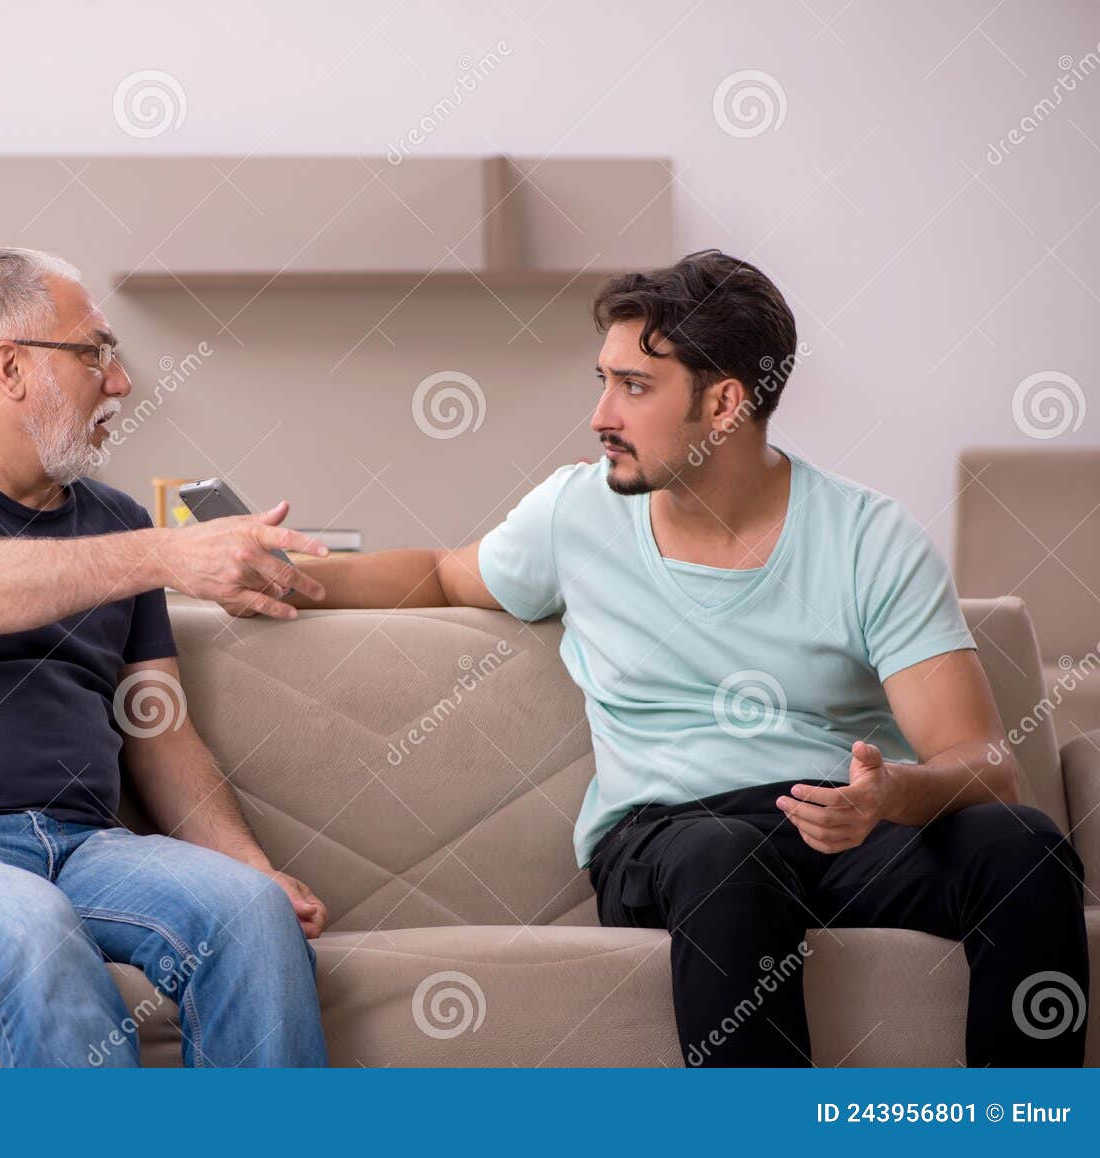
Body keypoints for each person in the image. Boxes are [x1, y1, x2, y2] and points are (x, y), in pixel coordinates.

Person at [287, 249, 1090, 1066]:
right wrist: (288, 574)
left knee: (1019, 843)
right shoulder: (575, 514)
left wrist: (890, 795)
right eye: (604, 381)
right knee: (726, 854)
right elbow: (438, 573)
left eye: (635, 387)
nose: (602, 415)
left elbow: (984, 764)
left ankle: (1022, 1122)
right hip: (670, 839)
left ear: (725, 403)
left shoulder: (868, 538)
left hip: (835, 828)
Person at [0, 247, 333, 1067]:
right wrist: (162, 555)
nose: (120, 383)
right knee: (33, 925)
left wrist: (252, 868)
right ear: (11, 367)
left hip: (83, 847)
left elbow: (157, 729)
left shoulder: (115, 521)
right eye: (95, 354)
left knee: (248, 914)